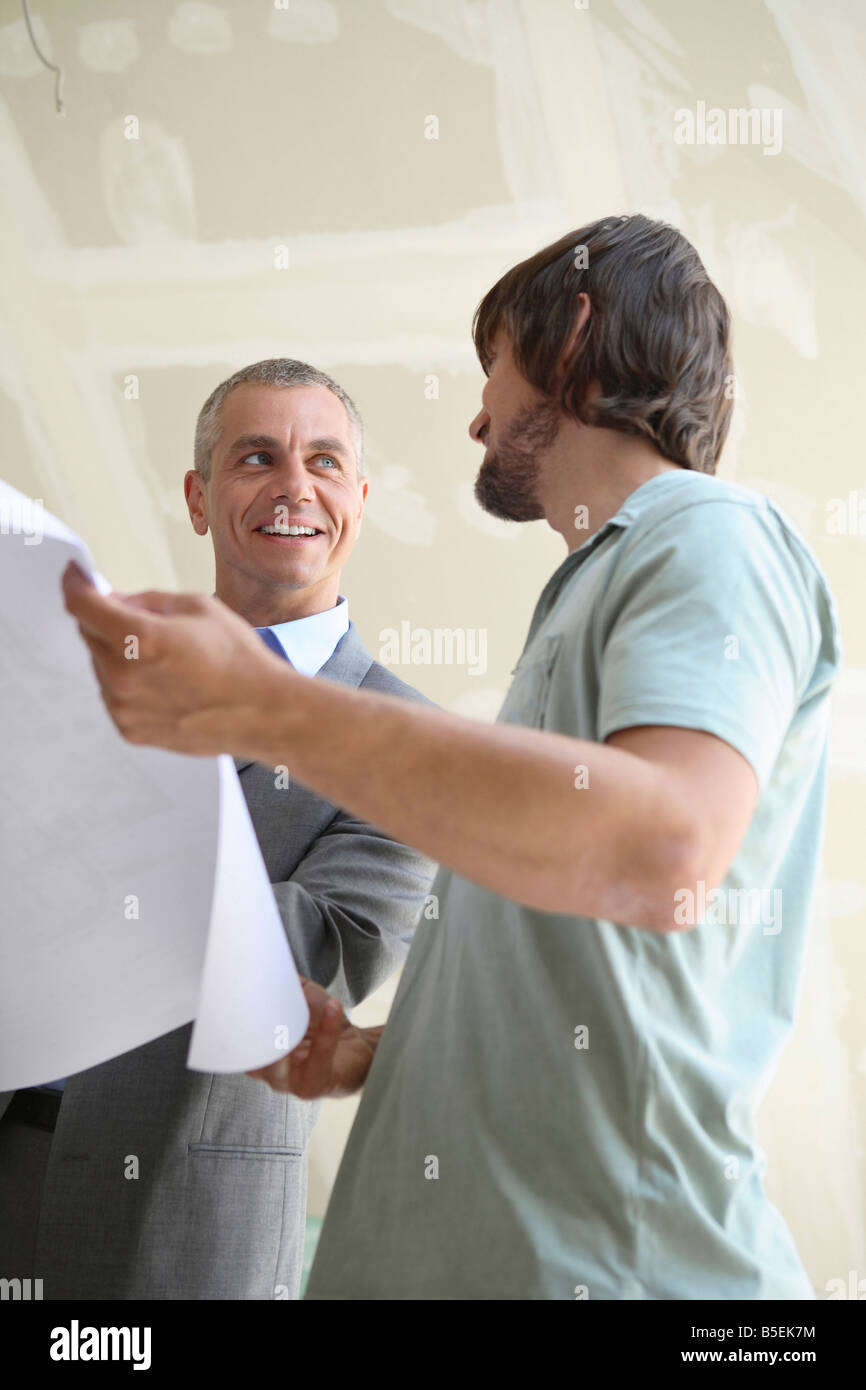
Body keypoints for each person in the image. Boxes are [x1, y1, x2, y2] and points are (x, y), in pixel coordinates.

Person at [63, 215, 841, 1300]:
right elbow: (581, 1007)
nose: (477, 418)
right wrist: (374, 1057)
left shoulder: (708, 534)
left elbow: (662, 849)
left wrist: (265, 704)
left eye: (493, 369)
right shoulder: (579, 607)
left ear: (568, 333)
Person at [0, 358, 435, 1300]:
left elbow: (312, 959)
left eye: (324, 462)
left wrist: (76, 868)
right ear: (199, 499)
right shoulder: (85, 675)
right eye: (256, 457)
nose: (294, 487)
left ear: (358, 500)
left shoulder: (403, 741)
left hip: (177, 1225)